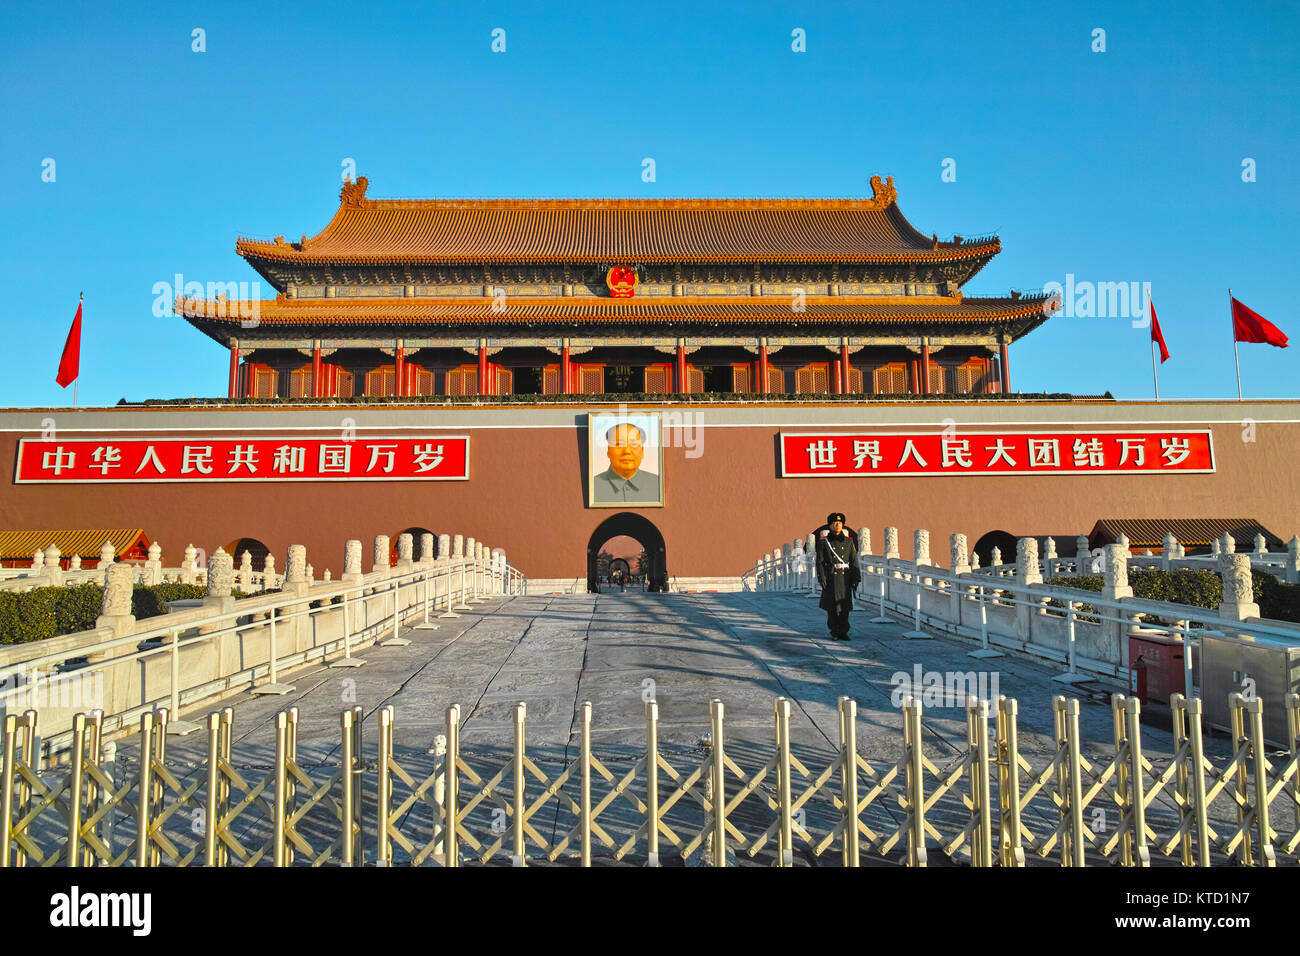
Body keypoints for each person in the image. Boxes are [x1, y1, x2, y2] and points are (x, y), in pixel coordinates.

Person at [592, 422, 662, 504]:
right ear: (608, 451)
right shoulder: (592, 487)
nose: (627, 451)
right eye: (619, 444)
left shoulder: (658, 485)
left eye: (634, 444)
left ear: (642, 451)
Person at [816, 512, 860, 640]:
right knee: (832, 607)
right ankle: (834, 631)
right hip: (831, 578)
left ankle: (843, 631)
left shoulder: (848, 542)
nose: (837, 525)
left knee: (845, 606)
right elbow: (819, 562)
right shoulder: (824, 542)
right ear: (830, 525)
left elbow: (853, 561)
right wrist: (822, 577)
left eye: (840, 523)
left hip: (845, 578)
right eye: (835, 523)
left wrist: (856, 578)